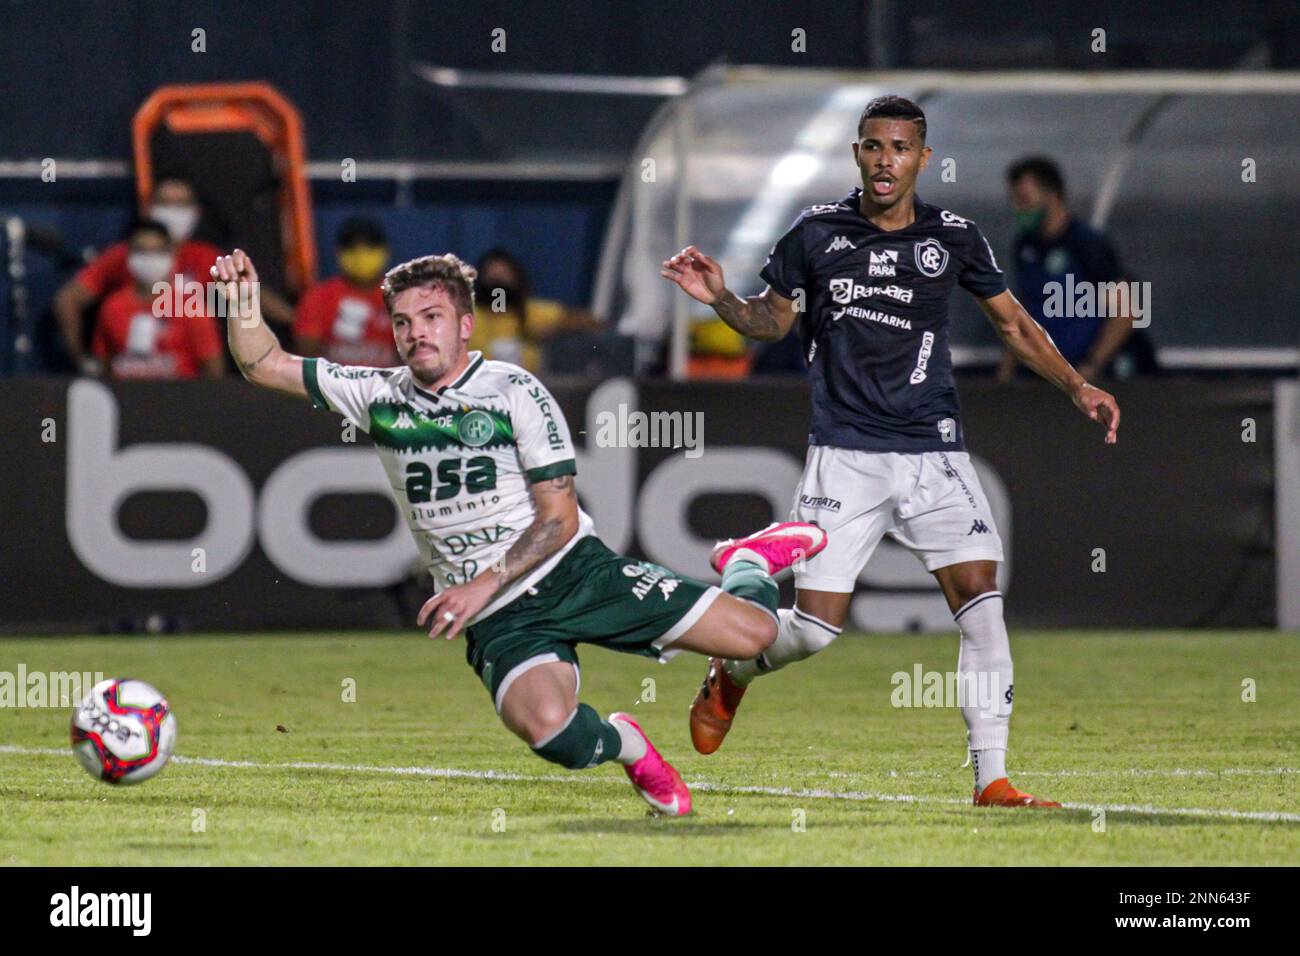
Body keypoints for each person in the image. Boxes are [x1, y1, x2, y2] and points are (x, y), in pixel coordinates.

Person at [215, 245, 828, 816]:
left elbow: (558, 520)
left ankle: (747, 560)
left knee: (756, 637)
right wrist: (243, 304)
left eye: (430, 316)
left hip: (572, 574)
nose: (415, 333)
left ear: (464, 324)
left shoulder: (513, 392)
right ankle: (630, 746)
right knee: (551, 734)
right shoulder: (377, 396)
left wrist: (483, 581)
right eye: (402, 322)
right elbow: (264, 364)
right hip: (500, 617)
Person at [663, 95, 1121, 808]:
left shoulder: (957, 238)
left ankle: (991, 778)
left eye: (900, 148)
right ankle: (734, 674)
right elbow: (768, 321)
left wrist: (1077, 386)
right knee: (813, 632)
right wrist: (720, 297)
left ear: (922, 159)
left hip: (935, 452)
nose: (886, 161)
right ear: (857, 154)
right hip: (846, 453)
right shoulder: (815, 234)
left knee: (981, 601)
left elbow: (1015, 326)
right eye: (874, 146)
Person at [999, 156, 1155, 382]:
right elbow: (1023, 312)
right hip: (1053, 377)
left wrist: (1091, 365)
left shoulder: (1087, 244)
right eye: (1013, 199)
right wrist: (1007, 369)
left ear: (1052, 195)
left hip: (1100, 375)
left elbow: (1126, 312)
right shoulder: (1025, 247)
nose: (1018, 208)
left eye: (1024, 199)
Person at [55, 178, 221, 375]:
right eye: (165, 203)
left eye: (181, 204)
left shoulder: (194, 303)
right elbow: (68, 302)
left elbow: (213, 370)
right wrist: (83, 361)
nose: (173, 211)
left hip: (181, 393)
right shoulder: (113, 306)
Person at [90, 219, 223, 380]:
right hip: (128, 398)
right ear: (128, 255)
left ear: (171, 257)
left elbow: (213, 370)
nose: (149, 259)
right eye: (142, 251)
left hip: (179, 399)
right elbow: (104, 364)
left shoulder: (190, 307)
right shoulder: (112, 307)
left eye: (157, 251)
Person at [293, 217, 399, 367]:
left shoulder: (400, 296)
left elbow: (413, 356)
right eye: (352, 248)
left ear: (385, 251)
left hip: (389, 386)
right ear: (338, 253)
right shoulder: (319, 296)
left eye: (369, 247)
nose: (360, 255)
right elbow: (306, 357)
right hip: (332, 387)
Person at [471, 247, 596, 371]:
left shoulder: (531, 311)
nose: (498, 288)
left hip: (528, 383)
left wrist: (558, 328)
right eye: (493, 279)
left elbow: (591, 321)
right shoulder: (468, 314)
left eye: (503, 278)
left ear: (516, 280)